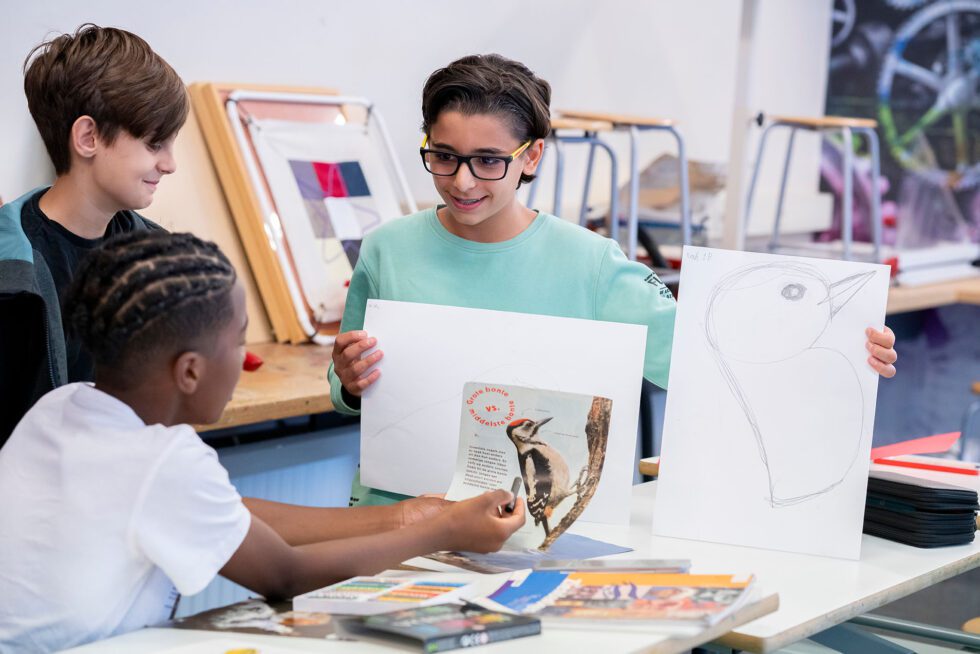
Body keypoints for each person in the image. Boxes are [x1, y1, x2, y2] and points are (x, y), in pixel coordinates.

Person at [328, 54, 899, 507]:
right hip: (395, 516)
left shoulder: (591, 263)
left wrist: (844, 348)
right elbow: (346, 389)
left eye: (488, 160)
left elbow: (706, 361)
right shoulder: (388, 248)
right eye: (444, 156)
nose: (462, 181)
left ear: (532, 157)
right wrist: (350, 381)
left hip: (526, 529)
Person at [0, 231, 524, 653]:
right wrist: (444, 532)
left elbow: (230, 512)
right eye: (238, 340)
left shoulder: (61, 407)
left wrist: (409, 516)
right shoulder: (163, 460)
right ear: (190, 371)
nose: (245, 357)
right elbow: (286, 576)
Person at [0, 24, 185, 443]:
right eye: (155, 143)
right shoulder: (11, 274)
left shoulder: (159, 261)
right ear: (88, 137)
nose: (170, 164)